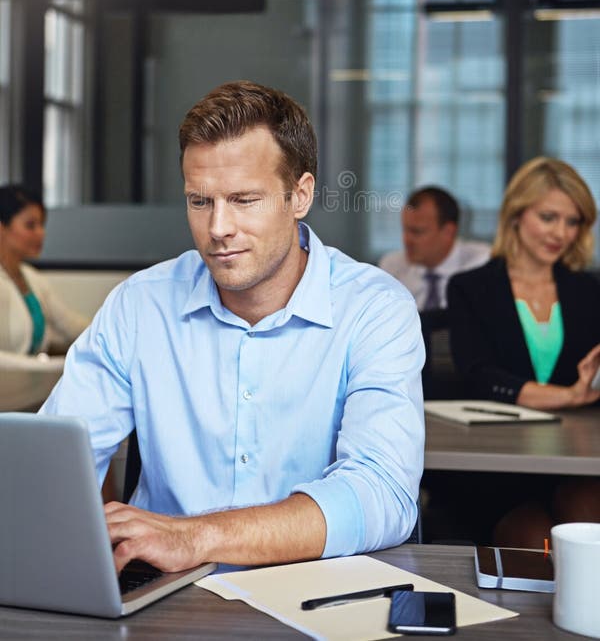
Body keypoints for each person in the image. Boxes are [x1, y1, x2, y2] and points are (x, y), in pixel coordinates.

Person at [41, 80, 424, 573]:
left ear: (300, 196)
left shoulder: (374, 308)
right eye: (200, 201)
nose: (218, 228)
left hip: (312, 590)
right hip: (163, 595)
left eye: (243, 200)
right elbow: (51, 465)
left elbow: (383, 493)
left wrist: (197, 537)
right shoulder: (140, 305)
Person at [448, 157, 600, 545]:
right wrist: (566, 396)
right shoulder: (471, 288)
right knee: (533, 540)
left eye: (573, 221)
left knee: (587, 514)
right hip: (498, 465)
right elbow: (478, 374)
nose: (561, 233)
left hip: (575, 457)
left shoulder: (589, 291)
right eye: (549, 217)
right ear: (516, 214)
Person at [0, 184, 89, 370]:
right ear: (2, 227)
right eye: (30, 225)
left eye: (42, 225)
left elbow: (69, 325)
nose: (41, 233)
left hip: (28, 383)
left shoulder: (32, 278)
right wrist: (49, 367)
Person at [379, 186, 489, 310]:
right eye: (405, 230)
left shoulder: (482, 264)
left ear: (448, 232)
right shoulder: (392, 267)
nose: (406, 240)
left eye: (417, 232)